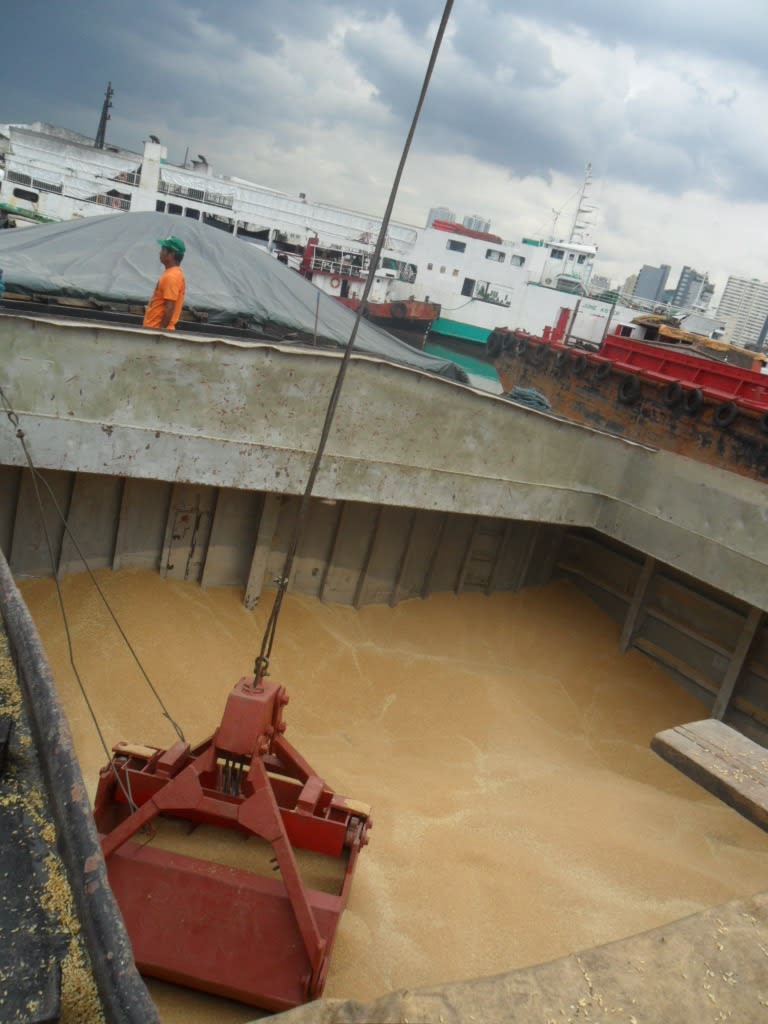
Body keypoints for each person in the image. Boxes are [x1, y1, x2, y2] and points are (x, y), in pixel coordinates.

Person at [143, 236, 186, 330]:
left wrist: (160, 332)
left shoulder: (171, 276)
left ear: (172, 254)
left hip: (155, 330)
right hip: (153, 329)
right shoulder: (173, 273)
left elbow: (169, 308)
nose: (160, 252)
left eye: (163, 250)